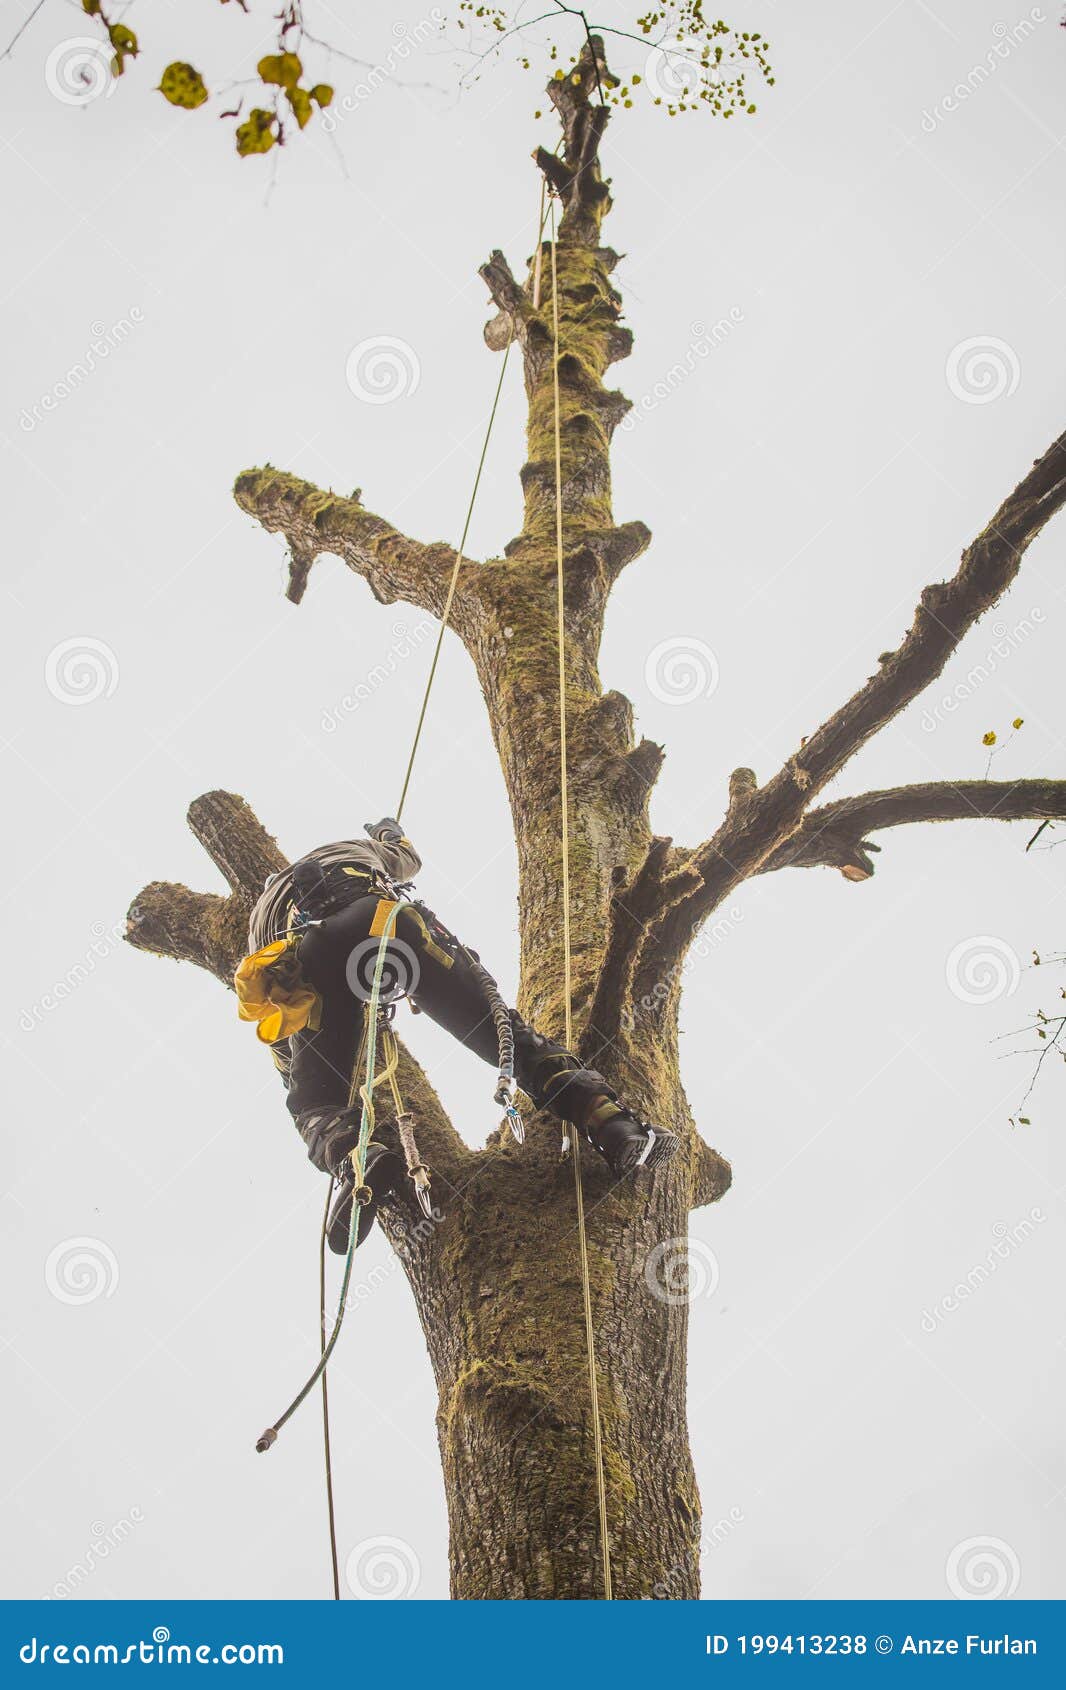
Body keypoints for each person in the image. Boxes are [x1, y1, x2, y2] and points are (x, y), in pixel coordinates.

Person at [236, 819, 678, 1253]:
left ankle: (358, 1160)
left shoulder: (262, 918)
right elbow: (407, 859)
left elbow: (281, 1020)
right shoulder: (354, 850)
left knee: (315, 1102)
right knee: (509, 1039)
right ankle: (610, 1121)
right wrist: (388, 834)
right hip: (385, 921)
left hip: (313, 953)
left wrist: (301, 1072)